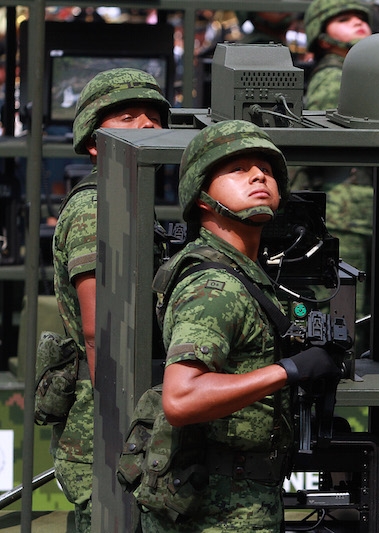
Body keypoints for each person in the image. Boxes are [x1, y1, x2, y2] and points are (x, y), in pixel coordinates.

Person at [141, 119, 342, 532]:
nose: (258, 176)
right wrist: (289, 371)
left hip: (236, 500)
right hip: (217, 511)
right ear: (201, 196)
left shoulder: (241, 272)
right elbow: (182, 399)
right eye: (237, 168)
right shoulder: (216, 287)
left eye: (266, 170)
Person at [51, 67, 170, 533]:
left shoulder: (130, 199)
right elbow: (100, 333)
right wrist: (128, 435)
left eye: (152, 116)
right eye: (126, 116)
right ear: (95, 141)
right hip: (107, 424)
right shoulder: (97, 206)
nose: (145, 125)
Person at [303, 0, 372, 111]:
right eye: (343, 20)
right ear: (323, 41)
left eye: (361, 18)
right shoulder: (333, 77)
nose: (358, 22)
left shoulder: (356, 69)